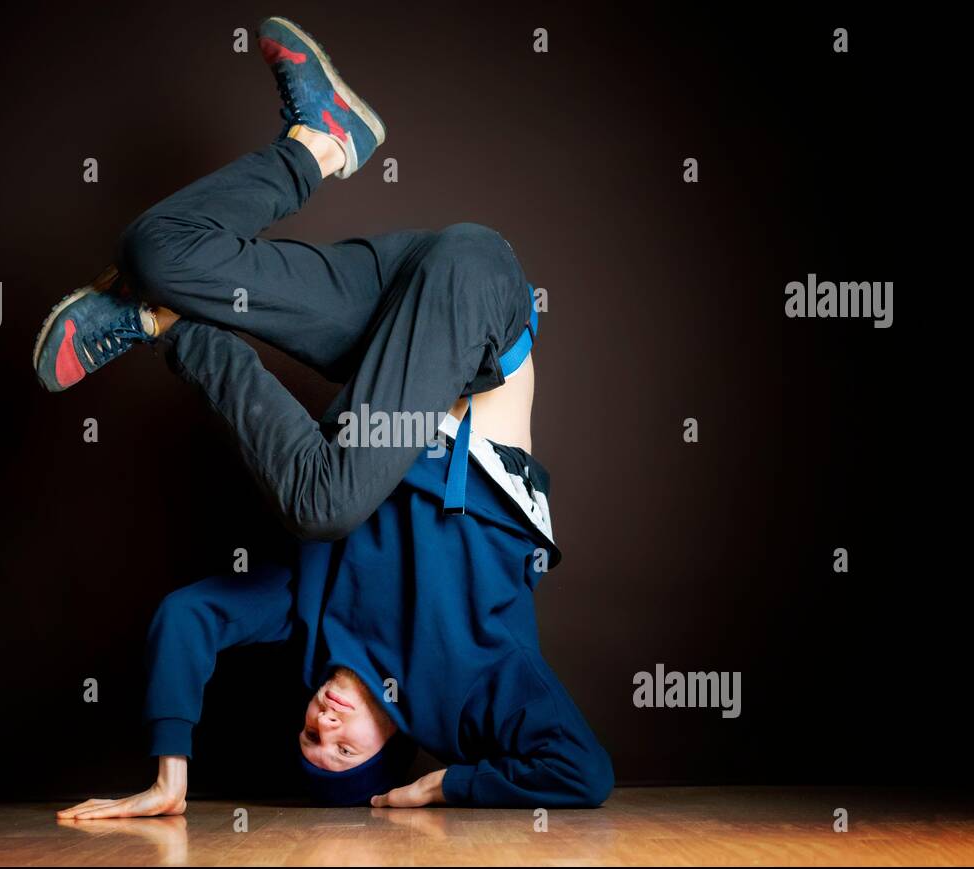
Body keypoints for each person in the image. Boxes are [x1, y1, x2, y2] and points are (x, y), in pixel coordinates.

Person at [44, 16, 613, 817]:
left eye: (309, 738)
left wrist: (171, 775)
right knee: (322, 504)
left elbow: (190, 615)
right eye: (345, 748)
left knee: (159, 252)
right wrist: (454, 781)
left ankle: (316, 146)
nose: (324, 725)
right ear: (392, 753)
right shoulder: (469, 690)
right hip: (478, 304)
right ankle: (176, 333)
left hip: (394, 310)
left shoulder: (309, 624)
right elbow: (582, 772)